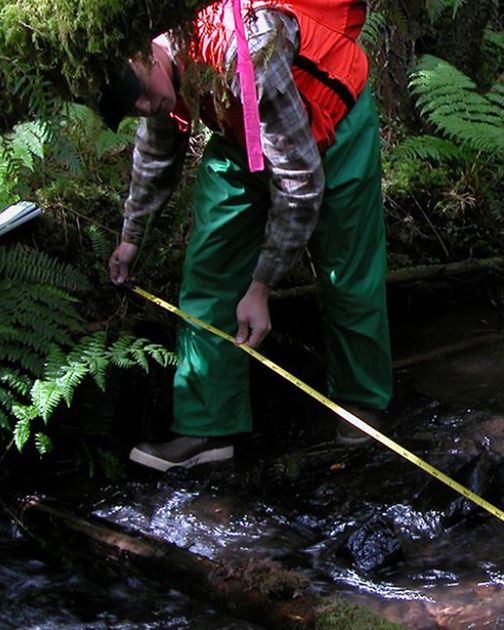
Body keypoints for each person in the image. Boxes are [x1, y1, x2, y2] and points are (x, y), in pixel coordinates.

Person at [96, 0, 393, 471]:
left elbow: (299, 181)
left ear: (146, 55)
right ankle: (206, 427)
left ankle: (361, 404)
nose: (145, 106)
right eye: (130, 105)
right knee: (208, 270)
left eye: (140, 92)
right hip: (241, 140)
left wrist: (262, 286)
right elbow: (158, 146)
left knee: (345, 272)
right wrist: (131, 234)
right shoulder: (159, 54)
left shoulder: (249, 50)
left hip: (331, 130)